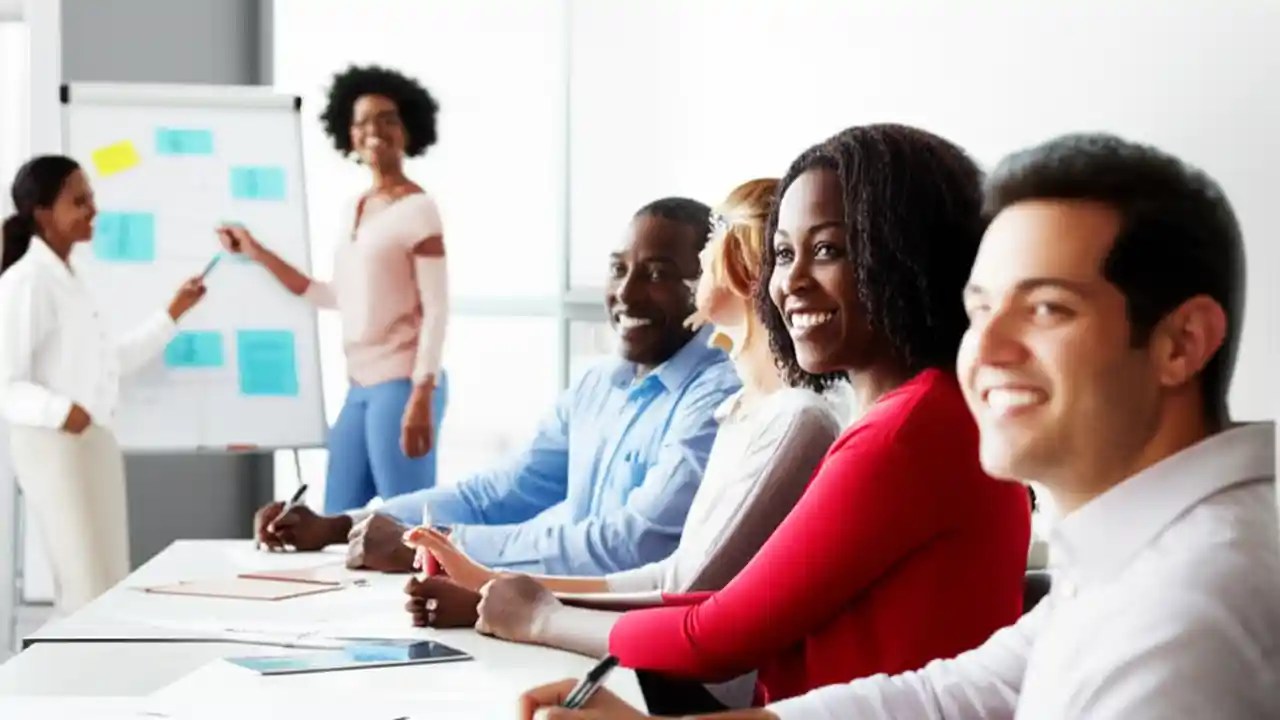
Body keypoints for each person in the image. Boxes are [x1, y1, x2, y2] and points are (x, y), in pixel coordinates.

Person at [519, 134, 1280, 720]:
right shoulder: (1129, 549)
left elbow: (727, 630)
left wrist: (543, 615)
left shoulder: (1193, 615)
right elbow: (951, 692)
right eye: (981, 308)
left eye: (1046, 307)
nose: (986, 347)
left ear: (1181, 344)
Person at [505, 124, 1033, 714]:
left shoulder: (910, 431)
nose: (791, 282)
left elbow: (718, 636)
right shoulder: (922, 411)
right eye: (784, 253)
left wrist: (541, 617)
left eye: (828, 249)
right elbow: (731, 604)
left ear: (906, 254)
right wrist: (536, 605)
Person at [399, 179, 843, 656]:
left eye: (711, 245)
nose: (697, 271)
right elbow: (666, 575)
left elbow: (687, 590)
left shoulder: (797, 418)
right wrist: (491, 583)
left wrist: (525, 611)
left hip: (686, 684)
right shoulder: (738, 410)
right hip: (650, 648)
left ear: (738, 266)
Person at [253, 197, 742, 577]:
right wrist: (342, 525)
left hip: (648, 663)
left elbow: (629, 547)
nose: (627, 293)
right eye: (619, 268)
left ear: (708, 286)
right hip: (570, 617)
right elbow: (497, 495)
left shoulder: (717, 395)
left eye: (658, 274)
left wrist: (437, 547)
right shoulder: (600, 385)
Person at [217, 65, 450, 514]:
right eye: (362, 122)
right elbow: (328, 294)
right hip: (359, 385)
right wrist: (255, 250)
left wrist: (422, 393)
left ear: (407, 130)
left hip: (402, 384)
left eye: (387, 119)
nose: (373, 131)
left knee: (406, 523)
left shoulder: (420, 209)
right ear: (349, 133)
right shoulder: (354, 209)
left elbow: (437, 311)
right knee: (335, 519)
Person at [0, 155, 206, 614]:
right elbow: (6, 383)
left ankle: (98, 679)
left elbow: (111, 361)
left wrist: (173, 313)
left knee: (108, 581)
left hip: (91, 443)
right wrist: (62, 412)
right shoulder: (27, 281)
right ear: (42, 212)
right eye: (79, 200)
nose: (93, 208)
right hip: (56, 442)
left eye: (91, 197)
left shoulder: (70, 280)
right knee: (85, 583)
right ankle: (77, 682)